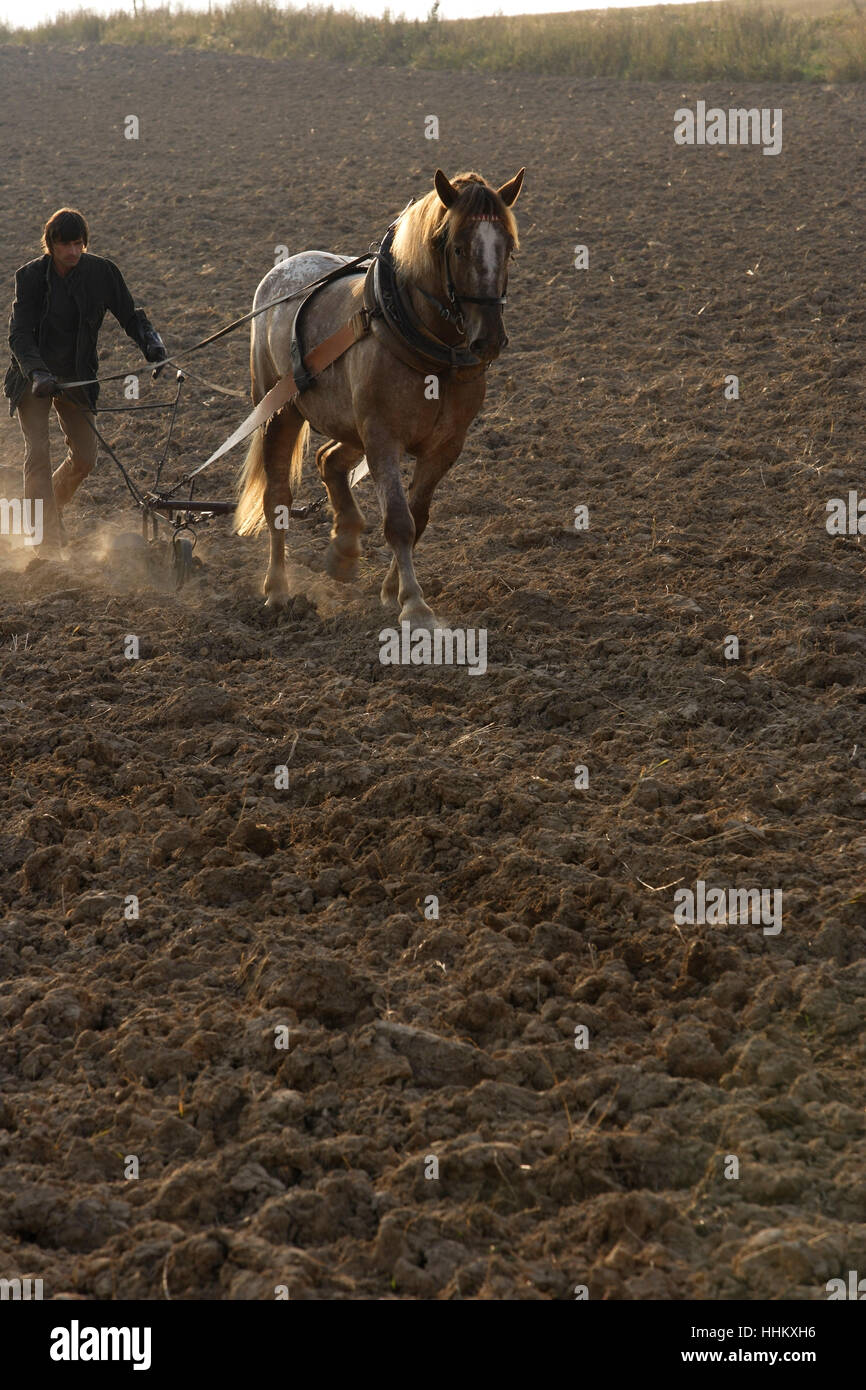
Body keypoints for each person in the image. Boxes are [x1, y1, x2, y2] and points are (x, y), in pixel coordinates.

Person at [4, 207, 167, 553]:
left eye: (79, 244)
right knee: (38, 454)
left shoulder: (102, 273)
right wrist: (37, 373)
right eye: (66, 245)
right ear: (51, 245)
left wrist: (150, 342)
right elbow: (18, 335)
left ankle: (46, 512)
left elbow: (130, 314)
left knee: (85, 457)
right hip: (33, 378)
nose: (74, 252)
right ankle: (44, 544)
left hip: (78, 377)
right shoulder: (30, 277)